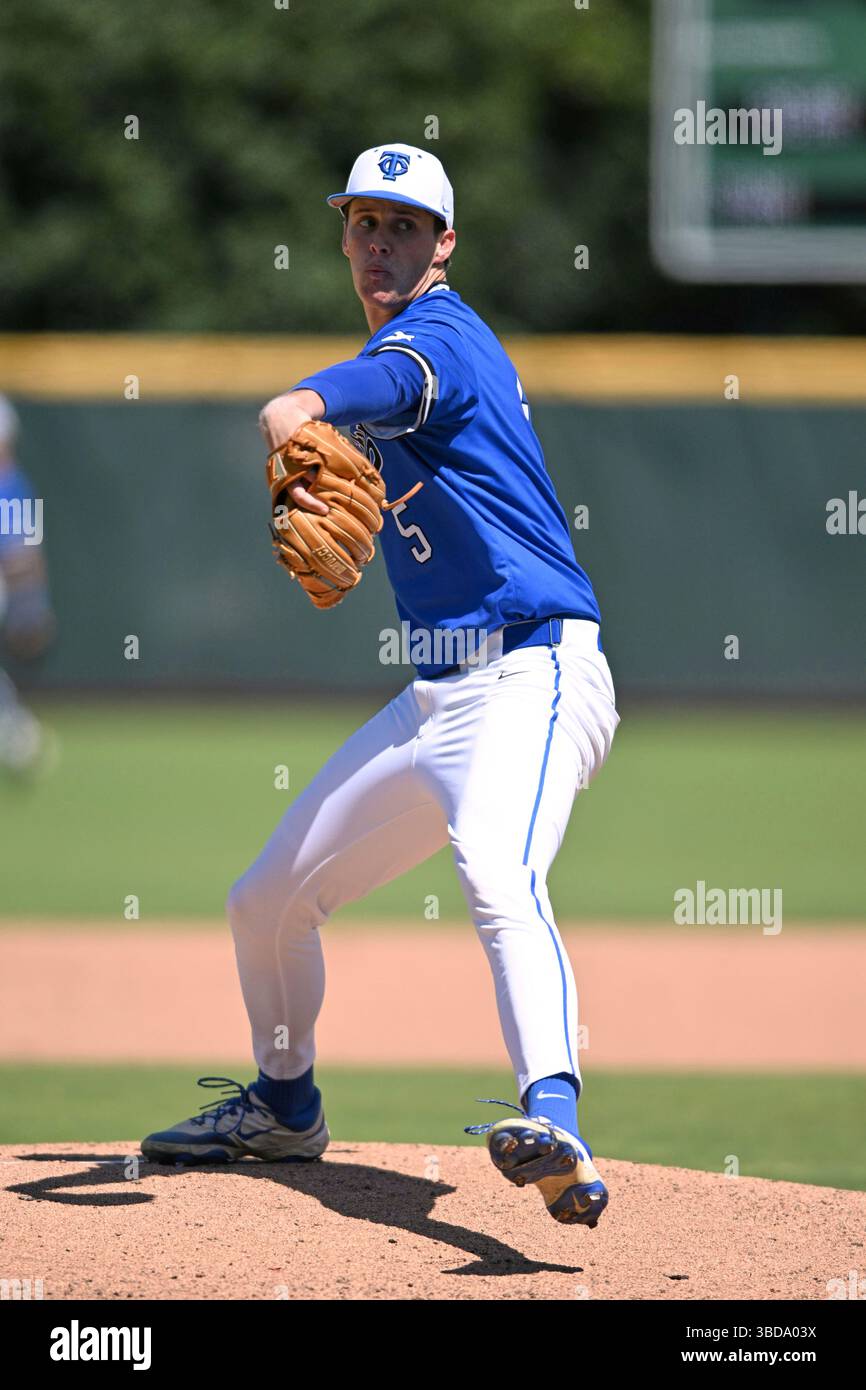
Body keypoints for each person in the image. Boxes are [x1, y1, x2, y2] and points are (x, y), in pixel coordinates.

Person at [142, 143, 620, 1229]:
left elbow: (360, 387)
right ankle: (283, 1102)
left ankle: (557, 1116)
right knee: (264, 904)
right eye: (363, 224)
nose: (379, 244)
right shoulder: (403, 344)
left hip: (534, 671)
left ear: (443, 244)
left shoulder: (437, 338)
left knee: (497, 875)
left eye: (403, 226)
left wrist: (300, 404)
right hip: (435, 700)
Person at [0, 396, 56, 777]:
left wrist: (30, 603)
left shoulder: (13, 486)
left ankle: (15, 733)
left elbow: (25, 556)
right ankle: (15, 732)